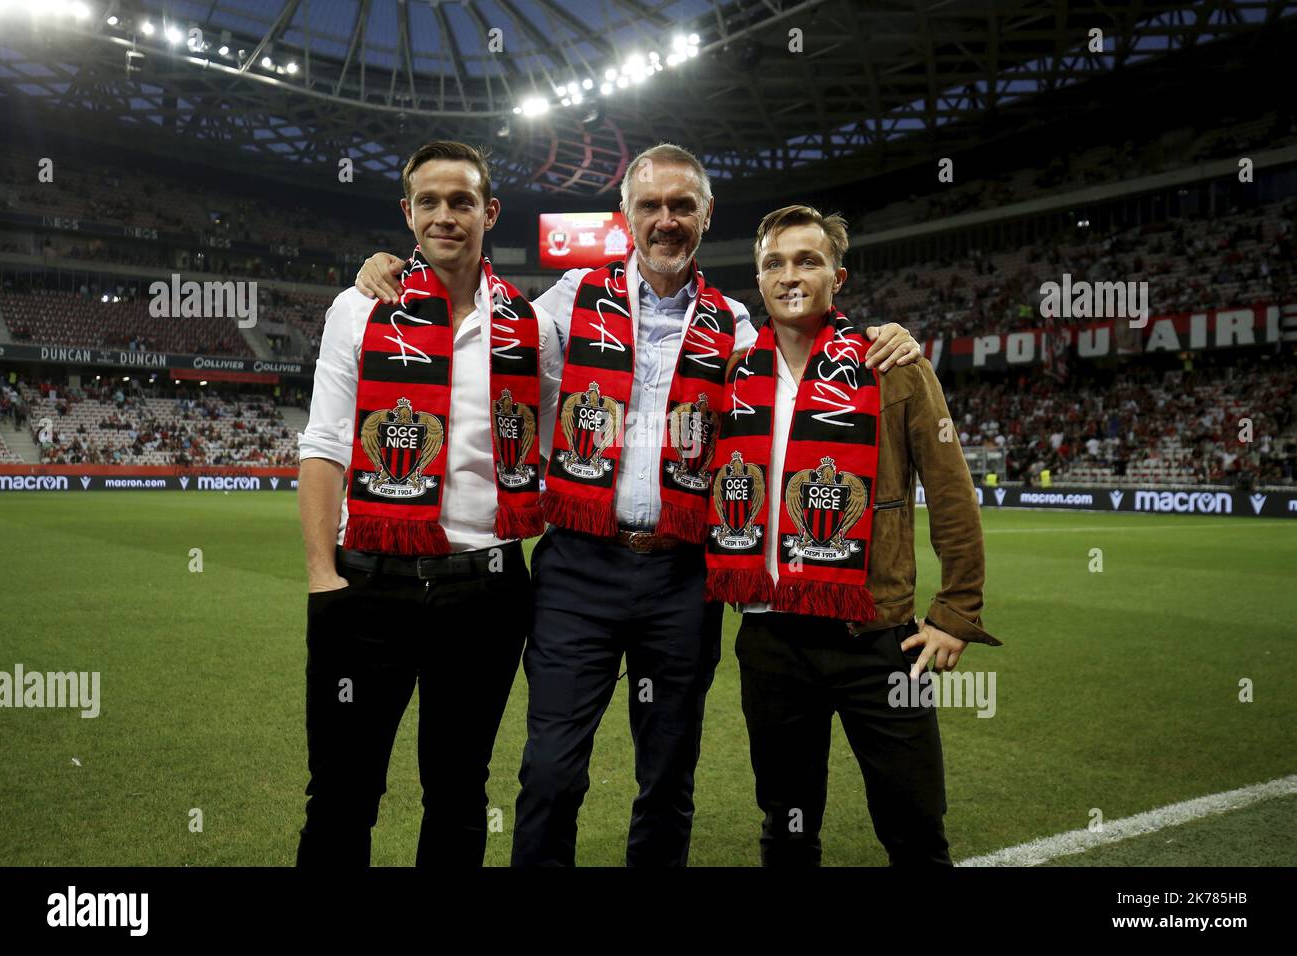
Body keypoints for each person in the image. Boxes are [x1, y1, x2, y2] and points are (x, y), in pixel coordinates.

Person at [355, 143, 922, 867]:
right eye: (649, 205)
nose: (665, 220)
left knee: (667, 775)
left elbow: (807, 358)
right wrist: (396, 269)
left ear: (705, 215)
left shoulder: (739, 330)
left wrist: (879, 335)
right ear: (625, 215)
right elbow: (473, 333)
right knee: (551, 771)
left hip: (682, 579)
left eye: (682, 206)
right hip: (577, 572)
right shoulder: (564, 303)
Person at [295, 141, 563, 866]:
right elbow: (322, 443)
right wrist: (324, 578)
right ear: (407, 212)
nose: (446, 216)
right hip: (370, 585)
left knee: (457, 792)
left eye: (463, 201)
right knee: (343, 793)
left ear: (489, 211)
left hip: (486, 593)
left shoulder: (531, 329)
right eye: (431, 202)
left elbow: (552, 437)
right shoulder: (358, 307)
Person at [705, 204, 998, 866]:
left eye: (807, 260)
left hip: (877, 638)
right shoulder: (733, 374)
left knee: (915, 825)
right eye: (774, 262)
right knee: (786, 827)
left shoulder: (892, 364)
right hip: (772, 638)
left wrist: (956, 612)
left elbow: (950, 492)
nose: (790, 274)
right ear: (758, 279)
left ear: (839, 276)